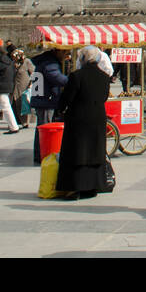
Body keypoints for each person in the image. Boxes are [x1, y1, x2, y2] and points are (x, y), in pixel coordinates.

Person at [55, 46, 114, 200]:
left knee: (78, 151)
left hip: (79, 118)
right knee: (95, 151)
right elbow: (104, 97)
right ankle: (92, 186)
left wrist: (60, 110)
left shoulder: (76, 76)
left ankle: (75, 188)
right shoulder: (104, 77)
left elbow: (67, 97)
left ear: (82, 59)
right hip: (97, 117)